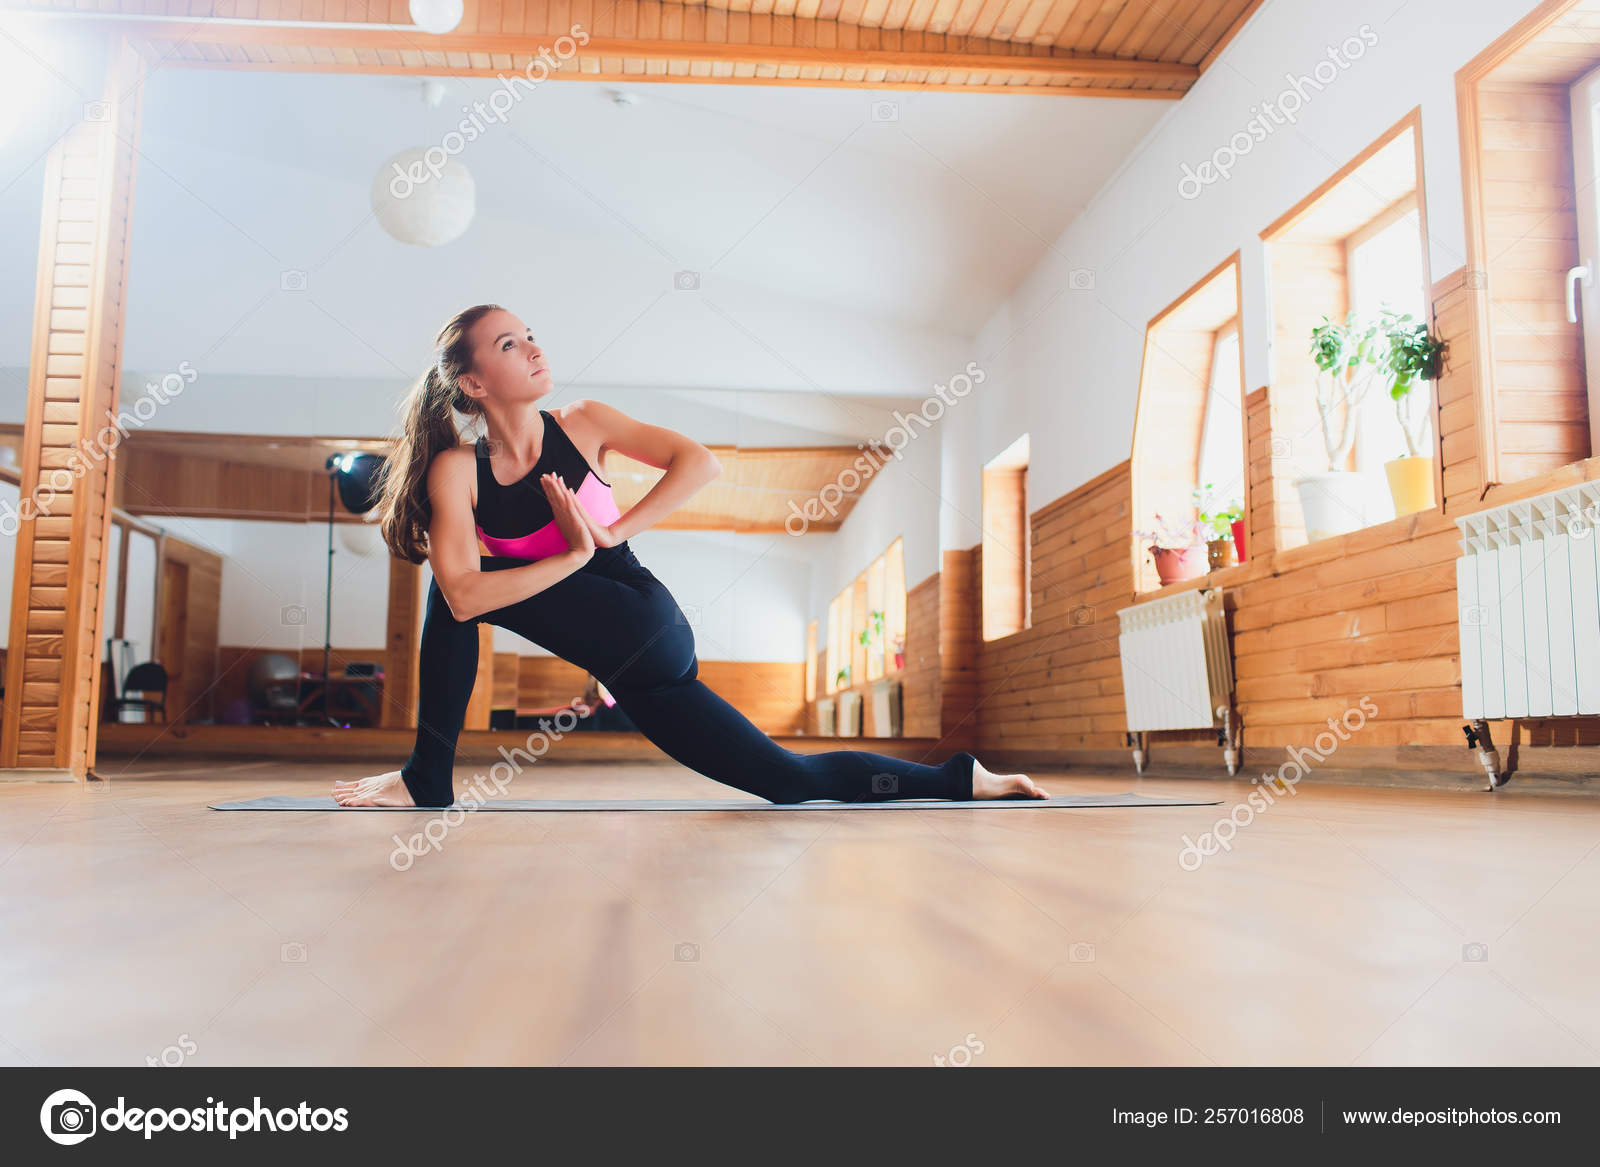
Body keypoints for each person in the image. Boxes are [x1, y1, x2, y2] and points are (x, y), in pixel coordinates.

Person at [332, 304, 1048, 807]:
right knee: (786, 780)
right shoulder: (459, 469)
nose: (535, 347)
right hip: (638, 677)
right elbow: (462, 597)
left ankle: (428, 775)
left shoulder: (582, 425)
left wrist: (609, 536)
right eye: (511, 344)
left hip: (644, 624)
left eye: (531, 334)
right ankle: (967, 778)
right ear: (474, 383)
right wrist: (574, 553)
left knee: (461, 587)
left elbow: (698, 463)